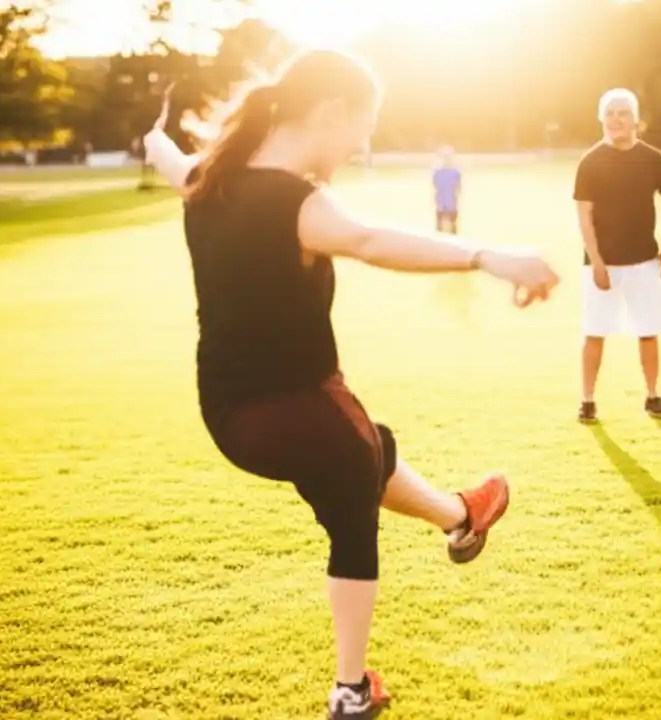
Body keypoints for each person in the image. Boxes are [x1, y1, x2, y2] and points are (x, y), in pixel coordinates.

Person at [142, 50, 560, 719]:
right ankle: (351, 690)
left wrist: (153, 131)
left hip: (226, 412)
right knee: (353, 491)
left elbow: (164, 153)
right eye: (362, 126)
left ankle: (462, 516)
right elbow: (370, 240)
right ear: (330, 112)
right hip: (299, 402)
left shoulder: (204, 176)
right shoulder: (297, 202)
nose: (363, 143)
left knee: (369, 449)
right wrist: (487, 257)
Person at [573, 88, 661, 423]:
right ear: (601, 119)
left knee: (648, 331)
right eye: (610, 113)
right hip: (602, 265)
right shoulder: (590, 161)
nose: (616, 119)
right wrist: (597, 261)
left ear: (636, 119)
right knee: (594, 333)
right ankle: (587, 401)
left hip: (644, 262)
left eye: (623, 113)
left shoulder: (651, 158)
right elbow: (584, 216)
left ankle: (652, 395)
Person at [433, 145, 462, 234]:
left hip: (447, 202)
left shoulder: (439, 171)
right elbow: (458, 187)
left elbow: (435, 185)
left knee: (450, 226)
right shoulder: (439, 171)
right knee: (443, 226)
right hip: (445, 202)